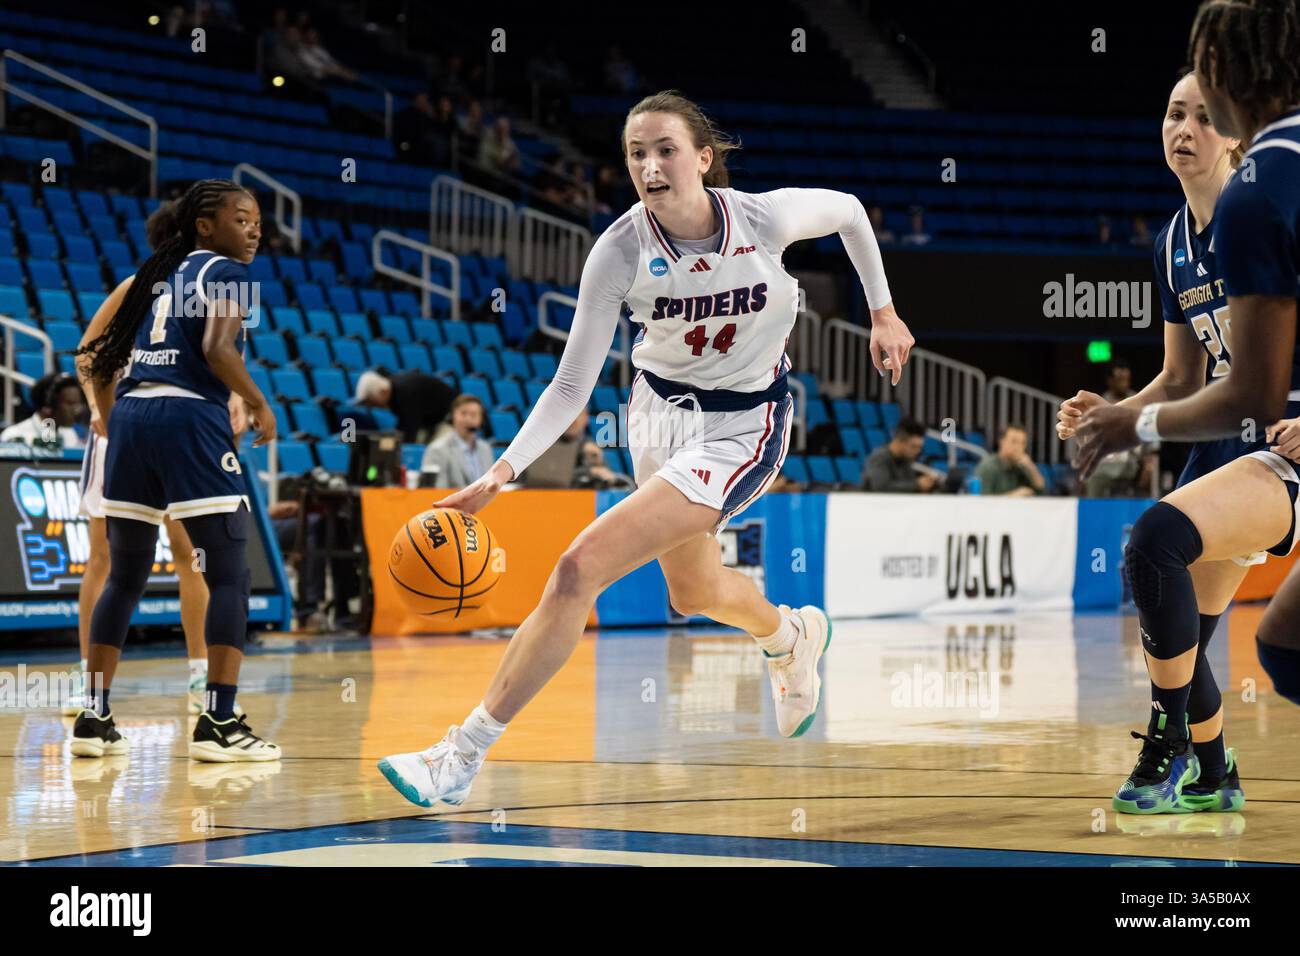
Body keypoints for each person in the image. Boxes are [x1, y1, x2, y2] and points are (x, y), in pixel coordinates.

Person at [378, 89, 913, 808]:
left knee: (577, 570)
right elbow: (572, 385)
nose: (651, 165)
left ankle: (459, 754)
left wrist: (882, 311)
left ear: (703, 158)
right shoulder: (620, 249)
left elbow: (848, 209)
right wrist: (502, 472)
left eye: (665, 149)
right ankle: (791, 636)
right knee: (691, 593)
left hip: (743, 425)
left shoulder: (762, 218)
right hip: (657, 421)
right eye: (636, 154)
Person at [1073, 3, 1300, 814]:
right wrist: (1113, 410)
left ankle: (1166, 747)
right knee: (1183, 638)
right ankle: (1212, 769)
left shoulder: (1269, 196)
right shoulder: (1172, 241)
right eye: (1174, 113)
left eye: (1205, 115)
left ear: (1236, 133)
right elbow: (1177, 378)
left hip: (1286, 444)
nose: (1186, 127)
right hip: (1229, 445)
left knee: (1152, 544)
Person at [72, 178, 280, 762]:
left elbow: (101, 358)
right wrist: (260, 401)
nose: (254, 229)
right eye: (242, 219)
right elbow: (219, 350)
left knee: (125, 575)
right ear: (205, 225)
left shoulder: (154, 276)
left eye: (258, 221)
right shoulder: (229, 274)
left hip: (134, 419)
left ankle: (95, 715)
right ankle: (219, 719)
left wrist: (114, 424)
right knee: (230, 574)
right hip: (188, 419)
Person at [64, 203, 241, 718]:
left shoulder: (204, 289)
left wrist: (231, 397)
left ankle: (196, 672)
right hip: (128, 430)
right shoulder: (138, 286)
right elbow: (87, 353)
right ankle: (87, 678)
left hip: (176, 432)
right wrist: (102, 412)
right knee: (106, 560)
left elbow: (219, 357)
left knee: (191, 557)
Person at [1084, 361, 1156, 498]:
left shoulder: (1138, 401)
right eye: (1120, 380)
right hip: (1102, 467)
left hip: (1130, 466)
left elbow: (1150, 436)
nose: (1124, 383)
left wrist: (1148, 465)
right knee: (1091, 479)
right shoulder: (1098, 404)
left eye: (1126, 379)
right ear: (1110, 380)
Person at [354, 367, 456, 443]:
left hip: (450, 417)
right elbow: (403, 426)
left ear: (382, 392)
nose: (374, 407)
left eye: (373, 402)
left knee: (436, 448)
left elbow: (409, 433)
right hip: (429, 421)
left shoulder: (406, 394)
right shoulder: (393, 390)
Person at [420, 393, 496, 487]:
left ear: (481, 419)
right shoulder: (437, 450)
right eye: (463, 413)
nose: (468, 419)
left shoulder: (486, 449)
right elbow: (437, 491)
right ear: (452, 416)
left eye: (473, 414)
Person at [1, 372, 86, 449]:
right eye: (70, 403)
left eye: (77, 404)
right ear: (47, 406)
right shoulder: (13, 436)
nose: (77, 410)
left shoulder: (70, 434)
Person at [860, 418, 936, 492]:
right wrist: (917, 485)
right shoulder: (879, 457)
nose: (918, 451)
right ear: (899, 441)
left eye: (920, 447)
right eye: (914, 446)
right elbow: (881, 487)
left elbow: (907, 485)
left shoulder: (905, 459)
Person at [973, 423, 1044, 496]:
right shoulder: (987, 467)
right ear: (1001, 441)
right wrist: (1012, 496)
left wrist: (1031, 467)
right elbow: (981, 500)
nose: (1018, 447)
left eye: (1023, 443)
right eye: (1014, 441)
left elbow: (1041, 492)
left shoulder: (1023, 466)